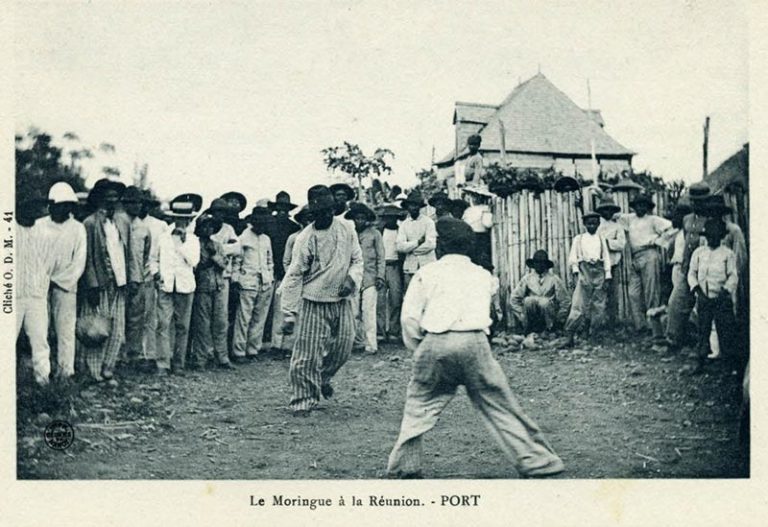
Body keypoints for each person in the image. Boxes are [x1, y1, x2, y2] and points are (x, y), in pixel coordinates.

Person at [386, 217, 564, 479]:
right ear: (469, 247)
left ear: (441, 246)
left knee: (419, 404)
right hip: (474, 343)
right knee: (499, 403)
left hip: (436, 340)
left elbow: (409, 319)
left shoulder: (427, 273)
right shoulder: (483, 276)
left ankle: (404, 466)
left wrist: (420, 348)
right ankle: (537, 462)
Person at [281, 185, 363, 417]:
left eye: (329, 210)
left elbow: (357, 259)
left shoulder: (347, 228)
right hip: (314, 299)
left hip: (341, 297)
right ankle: (302, 399)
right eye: (319, 212)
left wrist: (352, 277)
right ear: (312, 214)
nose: (325, 215)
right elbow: (295, 274)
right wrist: (289, 311)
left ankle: (322, 377)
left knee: (344, 347)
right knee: (307, 353)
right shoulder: (305, 238)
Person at [665, 185, 746, 351]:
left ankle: (718, 351)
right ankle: (673, 341)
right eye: (693, 201)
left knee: (716, 314)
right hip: (689, 270)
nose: (696, 205)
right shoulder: (687, 219)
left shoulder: (720, 226)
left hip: (718, 277)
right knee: (676, 304)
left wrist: (728, 281)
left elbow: (737, 258)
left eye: (700, 201)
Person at [80, 180, 129, 382]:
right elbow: (88, 257)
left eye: (115, 197)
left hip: (118, 283)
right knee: (97, 330)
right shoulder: (90, 223)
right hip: (99, 283)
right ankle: (93, 371)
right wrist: (91, 284)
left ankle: (108, 368)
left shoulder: (121, 222)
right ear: (99, 198)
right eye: (108, 196)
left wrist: (129, 280)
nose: (112, 200)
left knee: (117, 329)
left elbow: (126, 253)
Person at [39, 182, 87, 382]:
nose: (63, 209)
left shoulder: (77, 228)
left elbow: (79, 262)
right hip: (40, 286)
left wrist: (59, 282)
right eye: (59, 205)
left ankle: (65, 372)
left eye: (68, 205)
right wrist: (43, 281)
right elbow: (33, 257)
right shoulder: (39, 225)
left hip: (65, 287)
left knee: (65, 330)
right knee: (40, 330)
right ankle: (41, 375)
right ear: (51, 205)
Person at [156, 194, 202, 376]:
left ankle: (178, 364)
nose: (181, 223)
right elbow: (153, 259)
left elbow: (194, 261)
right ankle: (162, 363)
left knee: (182, 326)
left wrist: (181, 243)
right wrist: (156, 273)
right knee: (163, 324)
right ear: (173, 218)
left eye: (186, 219)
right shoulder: (163, 237)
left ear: (190, 219)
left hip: (185, 285)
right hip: (166, 284)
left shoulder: (193, 240)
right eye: (178, 219)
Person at [616, 193, 672, 341]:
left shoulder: (653, 220)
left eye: (644, 205)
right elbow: (614, 216)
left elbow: (671, 228)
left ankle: (655, 330)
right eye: (638, 205)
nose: (641, 208)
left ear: (648, 207)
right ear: (634, 207)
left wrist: (657, 240)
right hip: (634, 257)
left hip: (649, 254)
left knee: (651, 291)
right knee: (633, 293)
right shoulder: (629, 219)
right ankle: (641, 327)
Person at [688, 218, 738, 373]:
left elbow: (733, 276)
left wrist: (725, 292)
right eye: (710, 236)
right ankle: (700, 362)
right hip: (704, 297)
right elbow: (692, 273)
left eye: (716, 236)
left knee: (725, 330)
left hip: (721, 299)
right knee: (703, 330)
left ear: (722, 237)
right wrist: (697, 291)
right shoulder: (699, 252)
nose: (712, 239)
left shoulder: (727, 254)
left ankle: (727, 365)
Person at [16, 192, 56, 385]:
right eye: (33, 205)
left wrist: (41, 289)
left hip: (36, 296)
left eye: (41, 206)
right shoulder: (9, 230)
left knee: (40, 340)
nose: (38, 210)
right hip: (12, 296)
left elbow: (48, 265)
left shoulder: (44, 234)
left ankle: (43, 382)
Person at [189, 213, 234, 370]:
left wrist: (213, 256)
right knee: (202, 324)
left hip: (219, 286)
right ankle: (201, 358)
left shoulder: (217, 245)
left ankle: (222, 357)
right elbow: (195, 266)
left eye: (210, 227)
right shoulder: (194, 245)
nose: (208, 229)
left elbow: (224, 264)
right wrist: (206, 261)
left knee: (221, 323)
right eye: (204, 226)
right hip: (202, 287)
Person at [232, 203, 274, 362]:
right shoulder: (243, 237)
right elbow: (237, 260)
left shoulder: (266, 239)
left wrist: (269, 276)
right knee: (244, 317)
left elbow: (270, 260)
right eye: (260, 222)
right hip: (247, 281)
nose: (263, 226)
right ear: (254, 222)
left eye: (266, 223)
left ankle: (253, 349)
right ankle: (239, 351)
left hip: (264, 282)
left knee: (259, 317)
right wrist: (236, 280)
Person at [564, 212, 612, 347]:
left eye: (595, 223)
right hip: (584, 270)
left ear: (598, 224)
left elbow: (606, 257)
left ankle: (593, 333)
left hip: (599, 271)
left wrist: (607, 276)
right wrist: (576, 272)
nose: (592, 226)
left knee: (599, 305)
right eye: (589, 223)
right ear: (584, 224)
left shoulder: (601, 239)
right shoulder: (578, 239)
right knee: (578, 304)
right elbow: (573, 258)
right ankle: (570, 335)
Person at [121, 186, 154, 370]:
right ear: (125, 203)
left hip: (137, 280)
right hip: (119, 280)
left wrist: (138, 277)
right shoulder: (118, 223)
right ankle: (117, 356)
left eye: (139, 202)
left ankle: (133, 355)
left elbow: (144, 255)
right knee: (118, 318)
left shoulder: (144, 228)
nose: (136, 206)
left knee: (136, 319)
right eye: (132, 202)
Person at [346, 202, 385, 354]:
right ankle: (357, 343)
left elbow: (381, 257)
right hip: (354, 277)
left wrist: (380, 276)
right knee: (353, 311)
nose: (359, 221)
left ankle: (371, 344)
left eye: (362, 218)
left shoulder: (375, 234)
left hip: (370, 277)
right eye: (357, 218)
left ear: (367, 219)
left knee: (368, 311)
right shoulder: (349, 234)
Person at [266, 191, 301, 356]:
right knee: (274, 311)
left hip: (288, 273)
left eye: (285, 208)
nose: (282, 211)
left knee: (288, 310)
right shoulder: (268, 225)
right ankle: (275, 344)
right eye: (279, 207)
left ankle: (287, 346)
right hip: (269, 272)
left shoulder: (294, 229)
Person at [208, 198, 243, 354]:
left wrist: (217, 249)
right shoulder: (206, 227)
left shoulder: (228, 229)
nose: (219, 216)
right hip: (207, 276)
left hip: (224, 276)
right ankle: (207, 352)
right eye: (216, 212)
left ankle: (221, 354)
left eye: (222, 212)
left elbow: (237, 249)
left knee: (222, 318)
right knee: (206, 316)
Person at [277, 205, 312, 358]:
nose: (308, 222)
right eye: (305, 219)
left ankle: (304, 348)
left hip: (312, 280)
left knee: (308, 314)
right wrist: (292, 276)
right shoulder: (293, 238)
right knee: (290, 313)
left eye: (311, 219)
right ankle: (287, 348)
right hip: (295, 280)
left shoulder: (317, 237)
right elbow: (286, 260)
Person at [509, 250, 571, 334]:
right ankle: (529, 329)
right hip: (532, 318)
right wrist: (521, 315)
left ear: (546, 265)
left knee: (544, 302)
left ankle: (550, 330)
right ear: (533, 264)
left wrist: (558, 319)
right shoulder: (527, 279)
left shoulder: (554, 279)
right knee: (528, 300)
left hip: (548, 317)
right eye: (537, 262)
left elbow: (565, 301)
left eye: (542, 263)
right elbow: (514, 299)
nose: (539, 265)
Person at [142, 190, 167, 372]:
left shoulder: (160, 225)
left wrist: (157, 272)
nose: (143, 207)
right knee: (135, 318)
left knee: (152, 318)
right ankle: (134, 355)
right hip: (132, 277)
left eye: (146, 204)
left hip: (153, 275)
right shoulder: (128, 223)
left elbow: (163, 253)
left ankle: (150, 355)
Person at [396, 190, 437, 292]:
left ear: (419, 207)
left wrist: (411, 251)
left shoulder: (428, 222)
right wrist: (418, 242)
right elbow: (400, 246)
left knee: (428, 294)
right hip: (410, 267)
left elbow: (431, 244)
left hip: (427, 264)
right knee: (411, 295)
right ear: (407, 207)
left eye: (416, 205)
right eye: (411, 205)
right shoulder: (404, 225)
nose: (413, 208)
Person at [595, 197, 626, 325]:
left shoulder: (617, 226)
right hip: (599, 265)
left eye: (610, 210)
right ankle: (598, 323)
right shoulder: (596, 225)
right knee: (599, 294)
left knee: (613, 294)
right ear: (601, 211)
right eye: (605, 209)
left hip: (614, 264)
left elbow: (621, 244)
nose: (607, 212)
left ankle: (612, 322)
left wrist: (607, 242)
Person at [376, 204, 404, 343]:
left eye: (393, 218)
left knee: (396, 299)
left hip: (395, 267)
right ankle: (380, 332)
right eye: (388, 218)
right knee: (380, 300)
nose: (390, 220)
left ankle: (394, 331)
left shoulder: (401, 231)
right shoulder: (379, 231)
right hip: (382, 266)